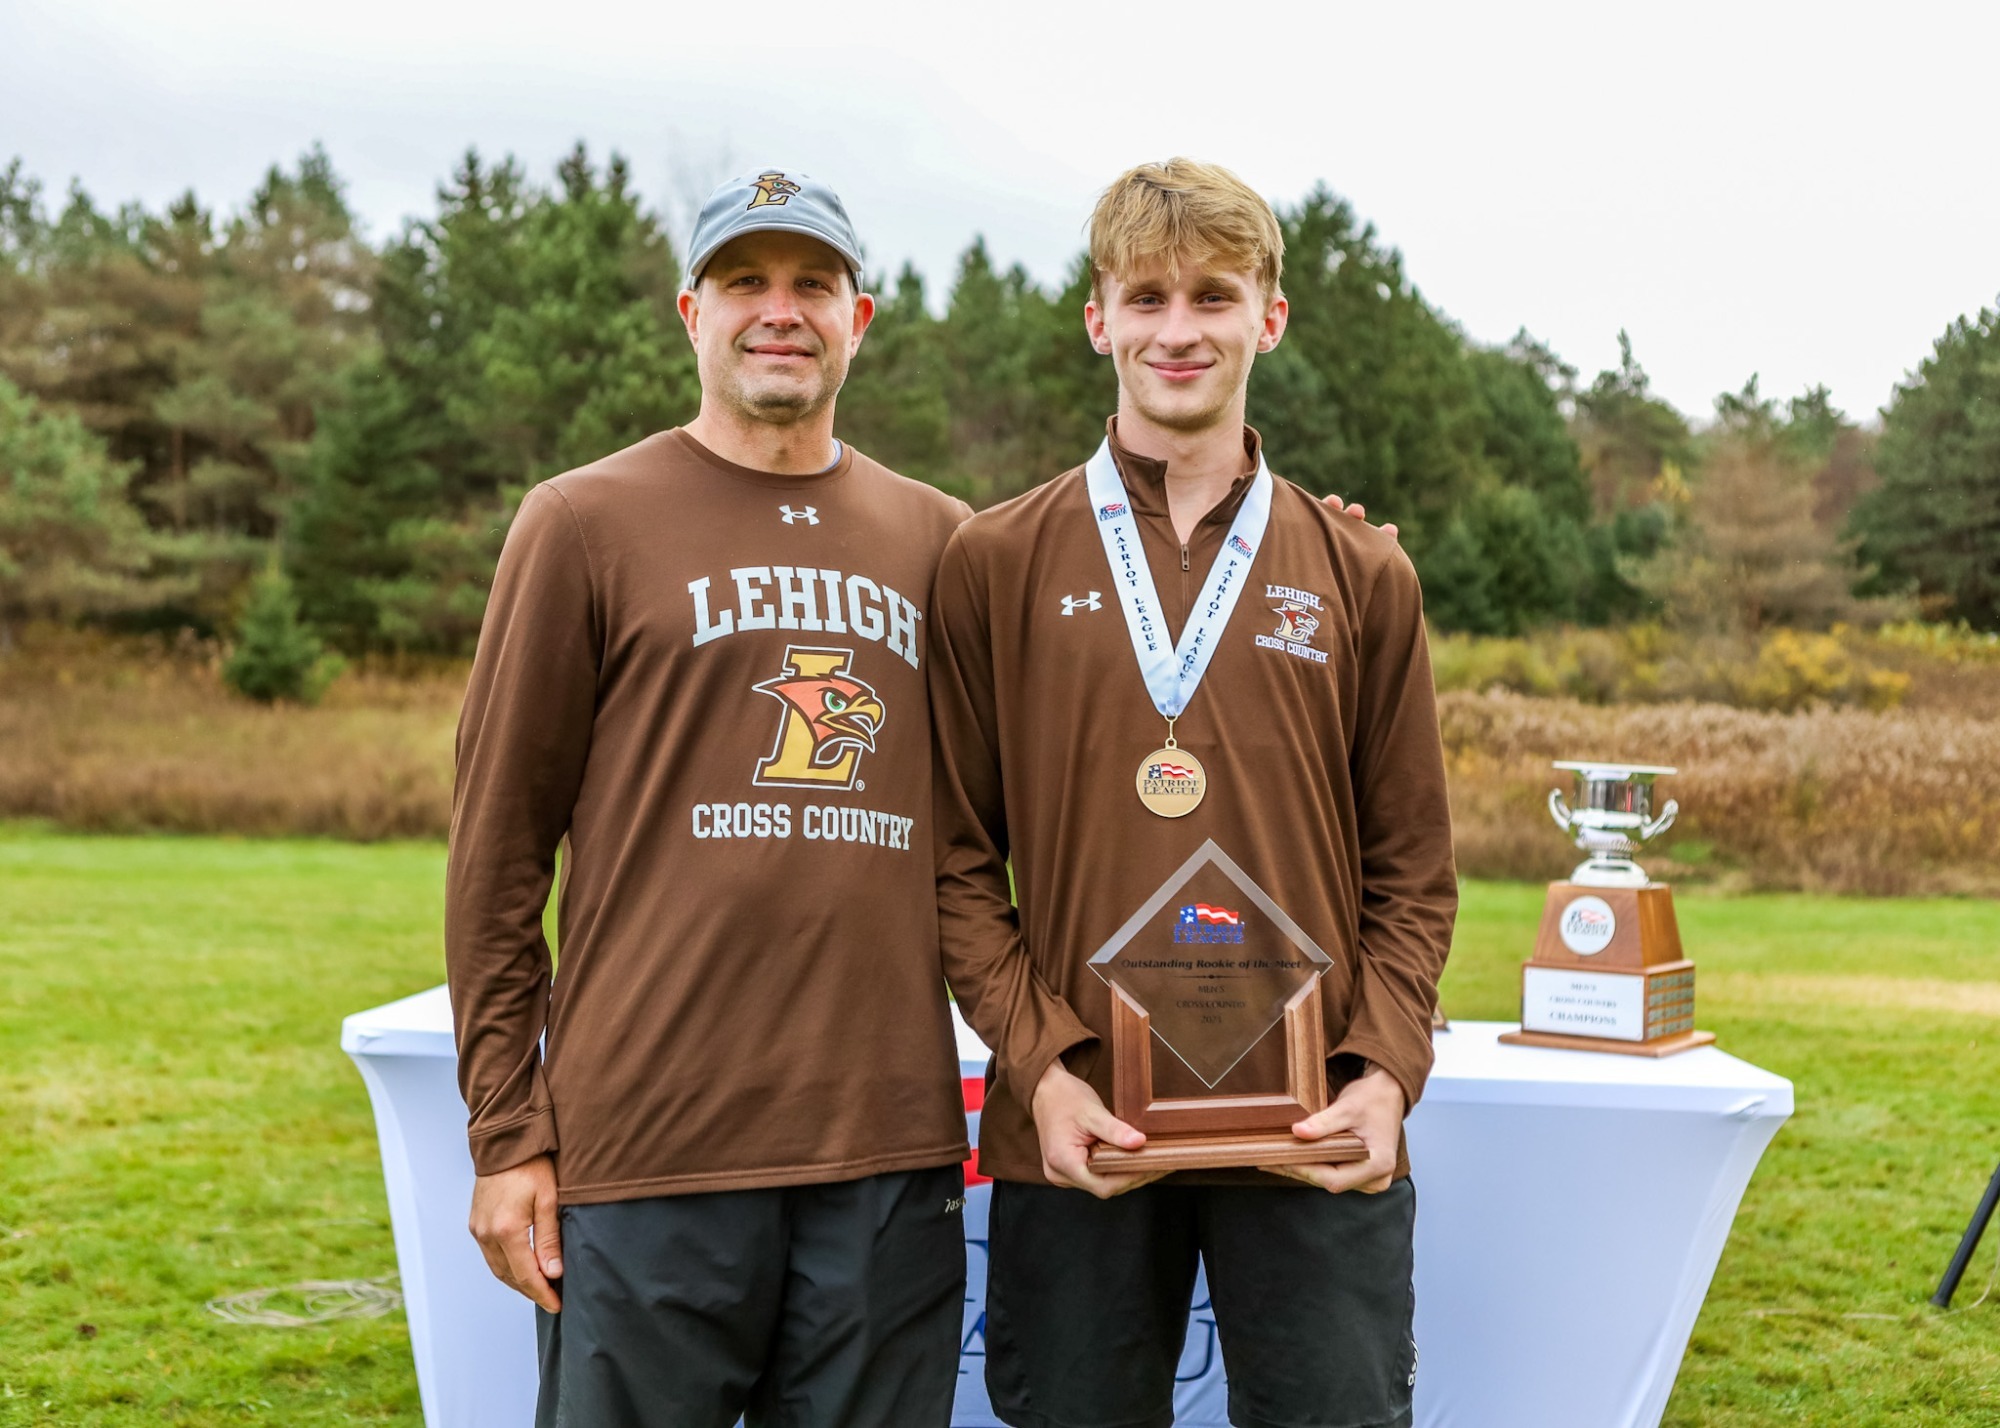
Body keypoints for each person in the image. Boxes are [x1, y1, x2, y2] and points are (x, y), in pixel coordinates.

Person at [930, 158, 1458, 1428]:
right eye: (1147, 296)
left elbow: (1414, 872)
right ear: (1096, 316)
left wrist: (1380, 1074)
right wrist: (1041, 1071)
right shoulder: (991, 560)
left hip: (1315, 1134)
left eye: (1213, 296)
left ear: (1266, 318)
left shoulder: (1359, 570)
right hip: (1079, 1136)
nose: (1179, 330)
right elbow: (952, 863)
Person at [445, 168, 976, 1428]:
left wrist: (1310, 539)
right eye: (746, 282)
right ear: (691, 311)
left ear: (862, 318)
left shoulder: (944, 539)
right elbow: (497, 856)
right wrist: (507, 1132)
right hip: (645, 1147)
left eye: (812, 285)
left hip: (884, 1155)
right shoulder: (581, 521)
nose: (778, 310)